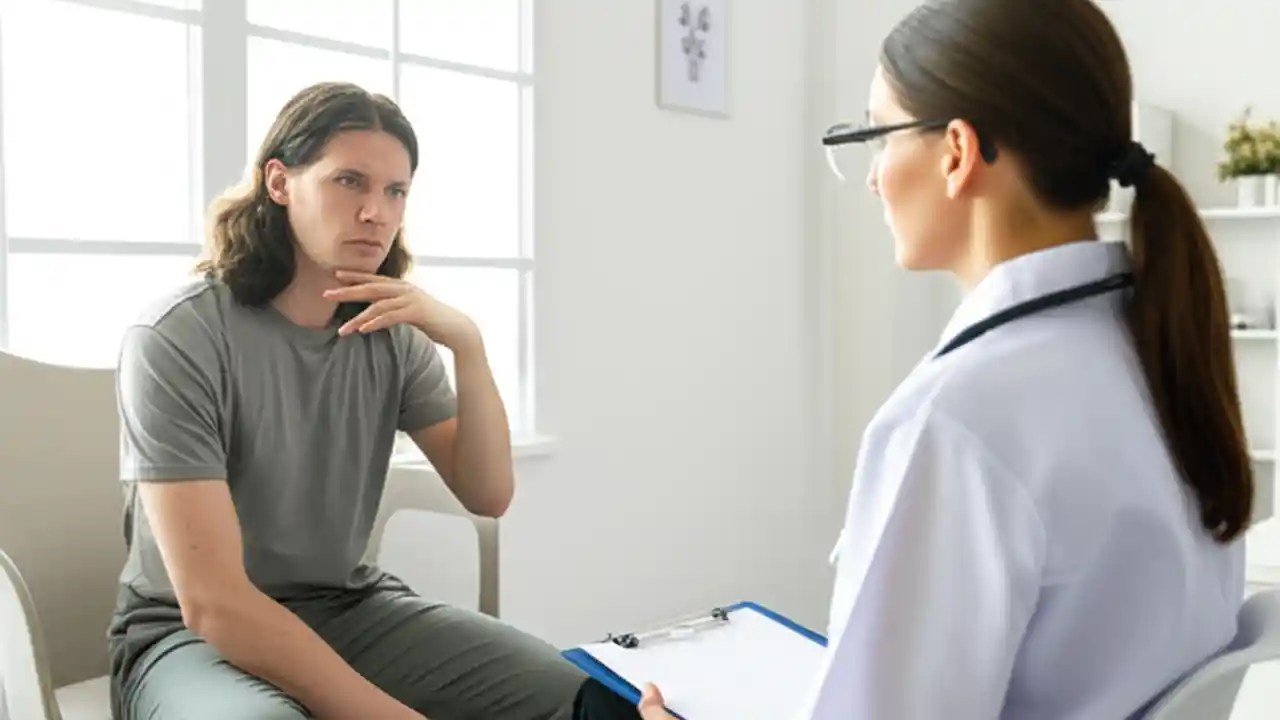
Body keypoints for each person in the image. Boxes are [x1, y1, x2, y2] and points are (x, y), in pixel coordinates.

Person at [635, 0, 1253, 718]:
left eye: (876, 136)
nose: (872, 179)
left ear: (957, 151)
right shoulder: (1160, 356)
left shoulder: (959, 422)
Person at [108, 82, 641, 720]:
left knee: (587, 697)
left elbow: (488, 494)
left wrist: (466, 345)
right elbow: (214, 603)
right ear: (280, 183)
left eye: (395, 192)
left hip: (346, 609)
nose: (376, 213)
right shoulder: (178, 337)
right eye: (349, 182)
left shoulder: (390, 331)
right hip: (189, 638)